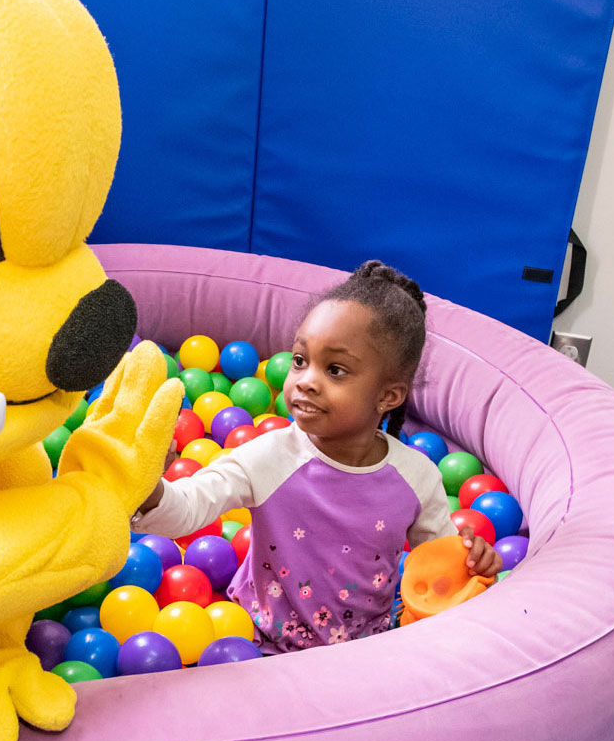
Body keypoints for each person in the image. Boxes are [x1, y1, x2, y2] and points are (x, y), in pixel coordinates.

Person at [132, 261, 501, 653]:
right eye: (299, 360)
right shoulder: (270, 457)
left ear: (388, 396)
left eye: (335, 370)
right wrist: (148, 483)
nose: (306, 381)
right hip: (257, 641)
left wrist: (471, 563)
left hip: (362, 651)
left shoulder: (415, 477)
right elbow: (187, 508)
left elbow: (439, 563)